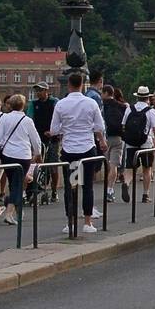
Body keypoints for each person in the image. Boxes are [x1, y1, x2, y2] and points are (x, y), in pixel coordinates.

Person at [51, 72, 108, 234]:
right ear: (83, 85)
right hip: (87, 148)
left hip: (69, 150)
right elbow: (99, 127)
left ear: (69, 84)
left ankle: (71, 222)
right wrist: (102, 141)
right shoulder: (90, 103)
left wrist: (66, 129)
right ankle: (88, 222)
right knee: (87, 186)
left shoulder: (61, 104)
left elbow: (54, 130)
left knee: (71, 186)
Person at [0, 94, 42, 226]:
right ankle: (10, 213)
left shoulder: (4, 118)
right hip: (23, 156)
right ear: (23, 106)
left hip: (7, 155)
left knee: (13, 183)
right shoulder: (27, 121)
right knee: (18, 185)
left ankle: (17, 209)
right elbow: (36, 140)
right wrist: (38, 154)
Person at [121, 86, 155, 202]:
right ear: (147, 98)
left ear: (137, 97)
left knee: (129, 169)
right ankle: (145, 194)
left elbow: (123, 125)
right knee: (147, 169)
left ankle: (127, 183)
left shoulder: (129, 109)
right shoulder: (151, 111)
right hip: (146, 143)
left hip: (130, 143)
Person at [29, 82, 59, 203]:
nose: (38, 93)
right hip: (39, 138)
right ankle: (37, 188)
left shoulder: (54, 102)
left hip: (52, 138)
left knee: (53, 165)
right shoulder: (34, 104)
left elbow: (58, 118)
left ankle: (54, 190)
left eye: (41, 90)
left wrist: (53, 131)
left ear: (47, 91)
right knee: (37, 165)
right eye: (37, 91)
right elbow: (30, 118)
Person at [101, 86, 126, 200]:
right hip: (118, 138)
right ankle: (110, 190)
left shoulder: (102, 105)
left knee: (107, 165)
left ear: (106, 93)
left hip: (105, 138)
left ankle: (107, 188)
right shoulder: (122, 106)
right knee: (114, 165)